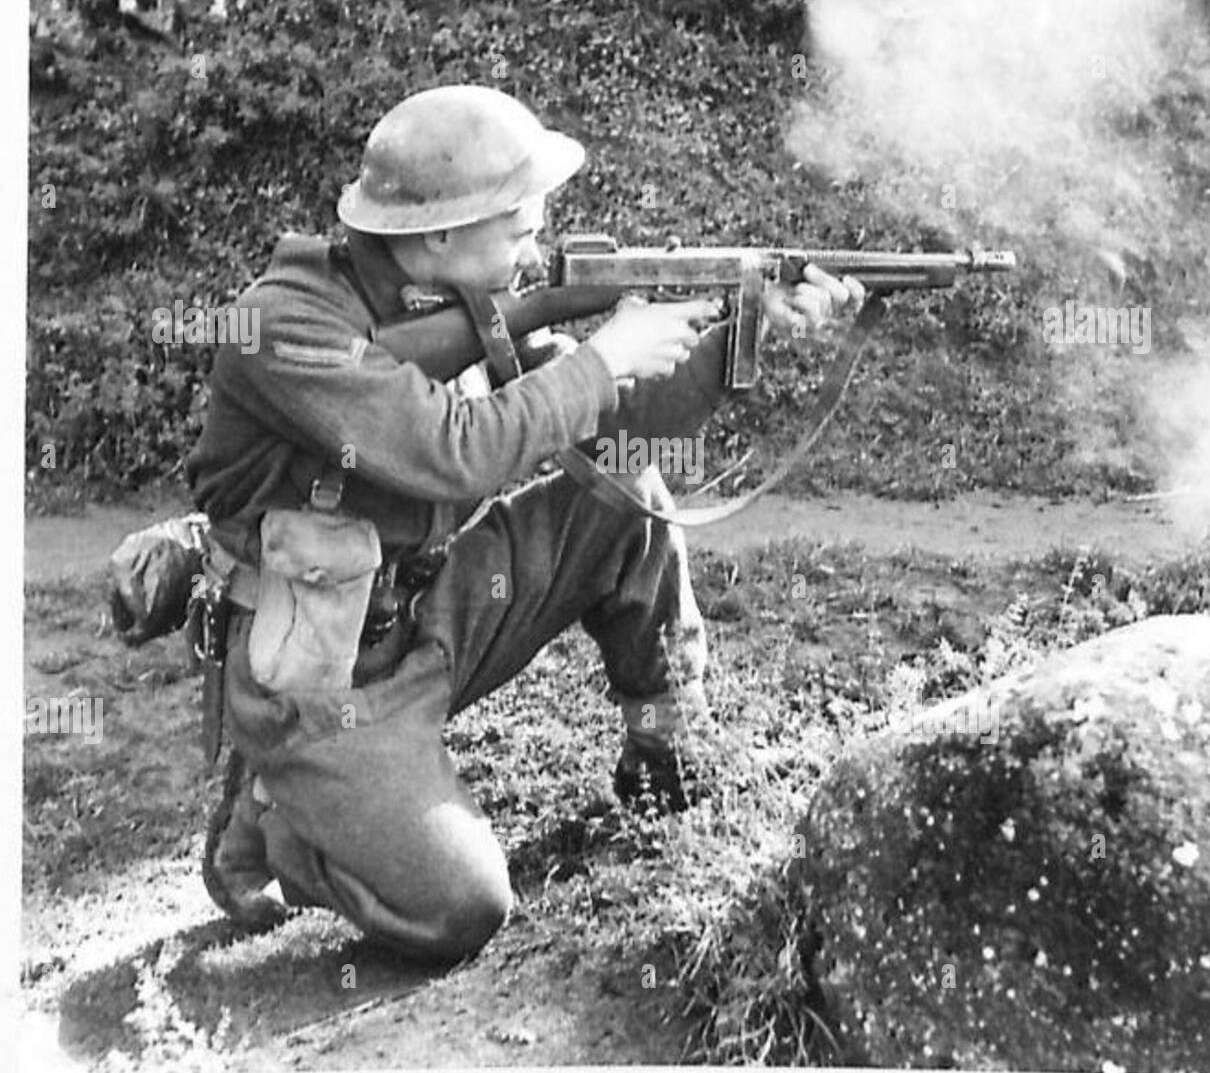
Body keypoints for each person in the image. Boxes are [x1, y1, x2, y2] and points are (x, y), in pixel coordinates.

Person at [188, 84, 862, 961]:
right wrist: (601, 358)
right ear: (436, 237)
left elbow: (611, 427)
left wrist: (745, 327)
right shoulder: (283, 326)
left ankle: (667, 751)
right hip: (321, 672)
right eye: (519, 233)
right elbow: (453, 451)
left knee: (623, 494)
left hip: (431, 612)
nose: (535, 251)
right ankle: (282, 819)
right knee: (461, 909)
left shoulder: (453, 307)